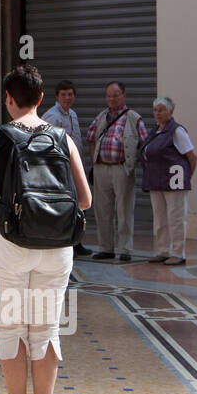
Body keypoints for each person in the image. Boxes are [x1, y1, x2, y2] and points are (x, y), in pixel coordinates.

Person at [0, 64, 91, 394]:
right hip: (56, 249)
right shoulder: (62, 137)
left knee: (13, 330)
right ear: (41, 98)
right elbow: (84, 199)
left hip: (8, 246)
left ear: (8, 99)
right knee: (47, 331)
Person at [85, 81, 147, 262]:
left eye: (115, 95)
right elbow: (91, 139)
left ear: (124, 96)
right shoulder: (101, 117)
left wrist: (134, 165)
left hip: (122, 168)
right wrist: (96, 164)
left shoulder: (134, 118)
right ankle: (106, 247)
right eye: (109, 95)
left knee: (124, 210)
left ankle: (125, 249)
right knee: (102, 210)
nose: (111, 99)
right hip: (101, 168)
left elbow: (144, 143)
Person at [140, 97, 197, 265]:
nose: (158, 113)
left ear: (171, 111)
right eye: (155, 110)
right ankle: (162, 250)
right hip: (156, 180)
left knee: (176, 217)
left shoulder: (177, 131)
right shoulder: (155, 131)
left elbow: (192, 157)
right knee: (160, 218)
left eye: (161, 109)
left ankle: (178, 253)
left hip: (174, 180)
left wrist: (187, 177)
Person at [41, 80, 92, 258]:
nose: (67, 98)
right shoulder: (52, 116)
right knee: (65, 207)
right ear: (57, 96)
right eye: (63, 94)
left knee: (77, 207)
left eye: (70, 94)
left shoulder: (73, 115)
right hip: (61, 171)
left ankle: (77, 241)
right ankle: (66, 242)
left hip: (74, 169)